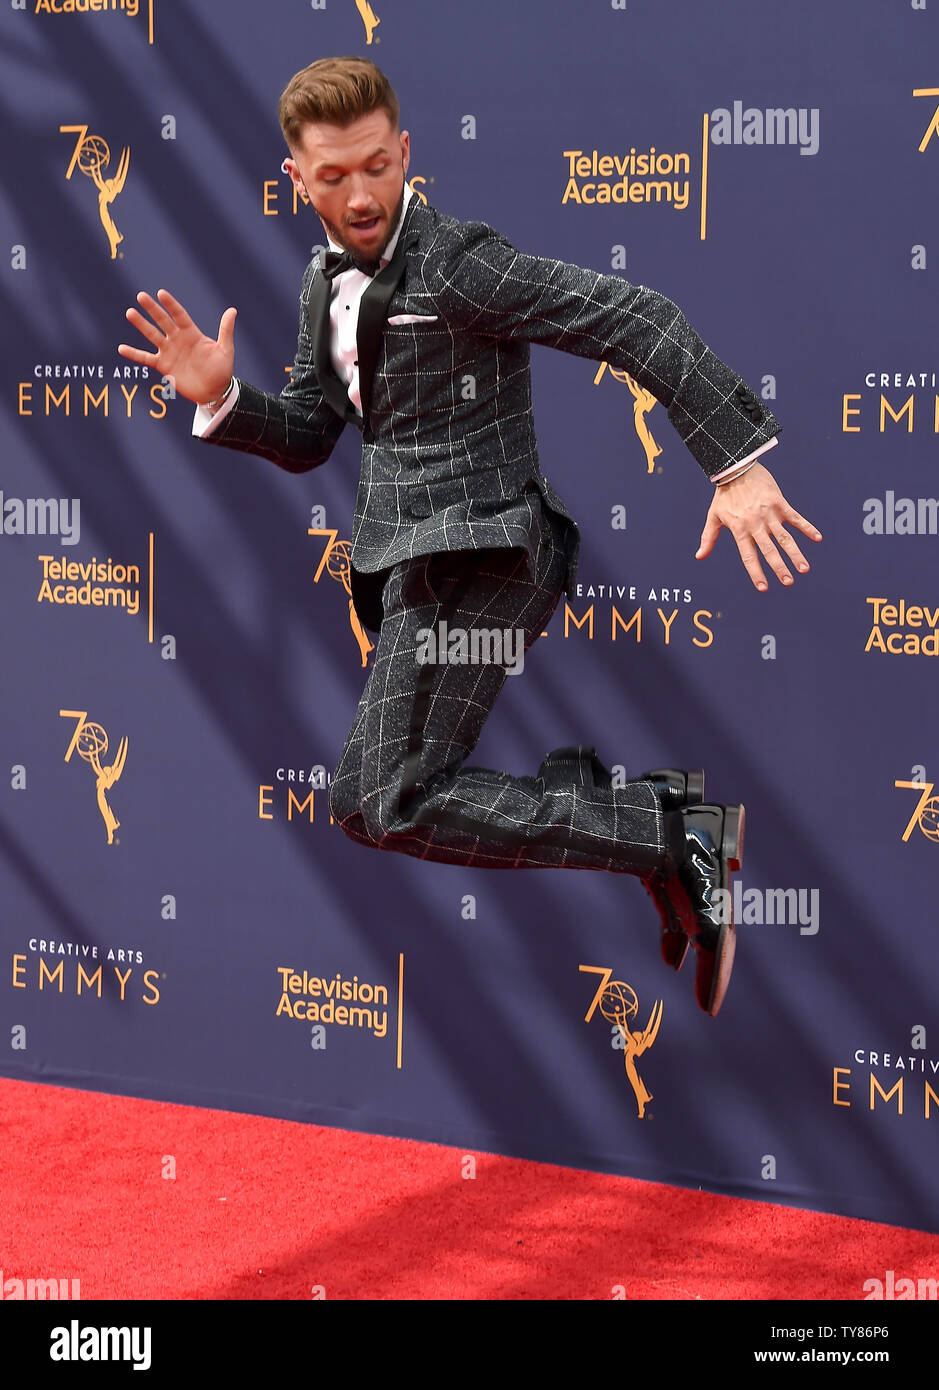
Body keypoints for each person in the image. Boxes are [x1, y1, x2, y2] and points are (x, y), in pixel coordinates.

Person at [118, 56, 821, 1017]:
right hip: (415, 568)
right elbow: (310, 439)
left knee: (379, 800)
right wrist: (223, 398)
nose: (360, 194)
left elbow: (628, 314)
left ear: (404, 152)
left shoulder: (457, 264)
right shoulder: (321, 286)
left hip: (485, 552)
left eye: (376, 165)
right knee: (376, 804)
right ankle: (650, 820)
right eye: (333, 177)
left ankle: (667, 829)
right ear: (295, 181)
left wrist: (733, 463)